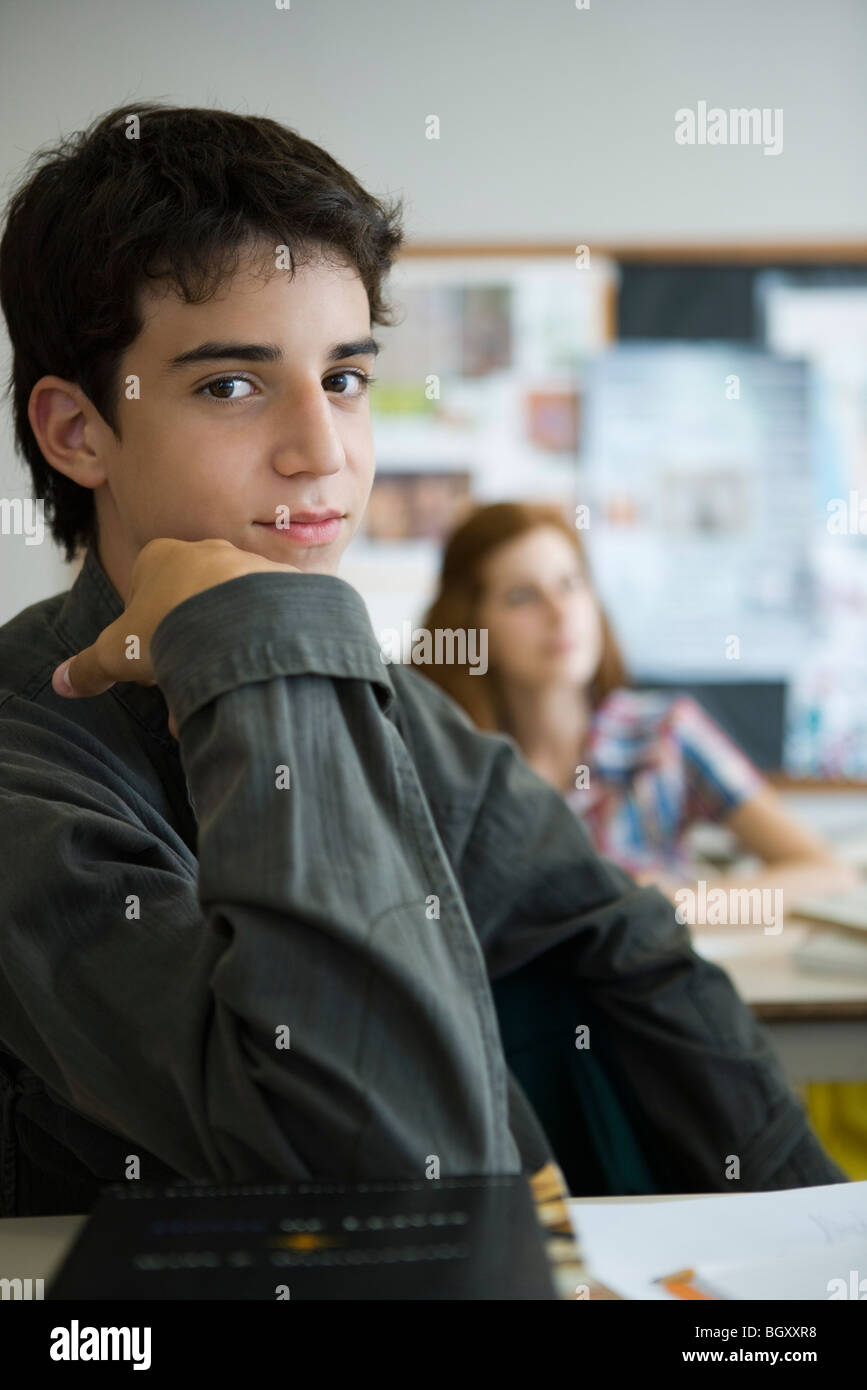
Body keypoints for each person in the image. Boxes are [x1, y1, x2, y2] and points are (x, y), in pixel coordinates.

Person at [0, 104, 847, 1220]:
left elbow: (620, 939)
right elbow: (376, 1174)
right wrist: (254, 643)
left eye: (345, 377)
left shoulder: (391, 706)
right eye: (232, 384)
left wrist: (816, 1228)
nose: (325, 452)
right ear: (76, 432)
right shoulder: (28, 757)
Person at [420, 502, 860, 914]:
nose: (560, 612)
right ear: (469, 625)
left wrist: (672, 905)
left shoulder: (663, 733)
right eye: (522, 597)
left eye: (571, 584)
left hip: (643, 990)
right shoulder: (440, 764)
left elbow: (827, 875)